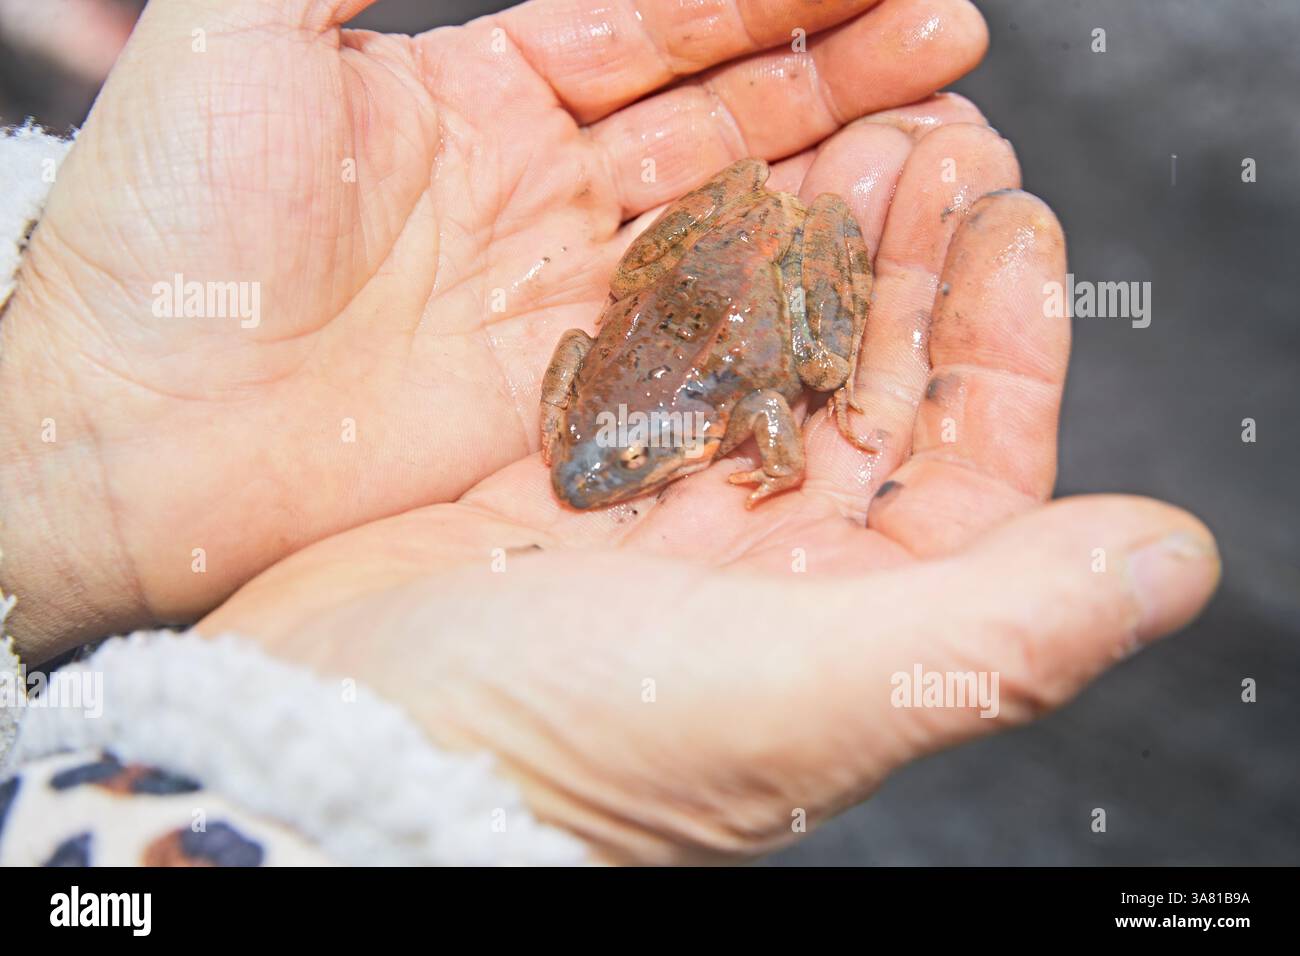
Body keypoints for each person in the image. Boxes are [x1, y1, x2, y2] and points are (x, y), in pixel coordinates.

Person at [0, 0, 1218, 865]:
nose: (588, 474)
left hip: (737, 291)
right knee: (787, 367)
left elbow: (677, 380)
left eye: (611, 459)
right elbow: (603, 365)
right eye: (585, 449)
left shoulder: (649, 402)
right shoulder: (595, 404)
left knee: (806, 359)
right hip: (686, 302)